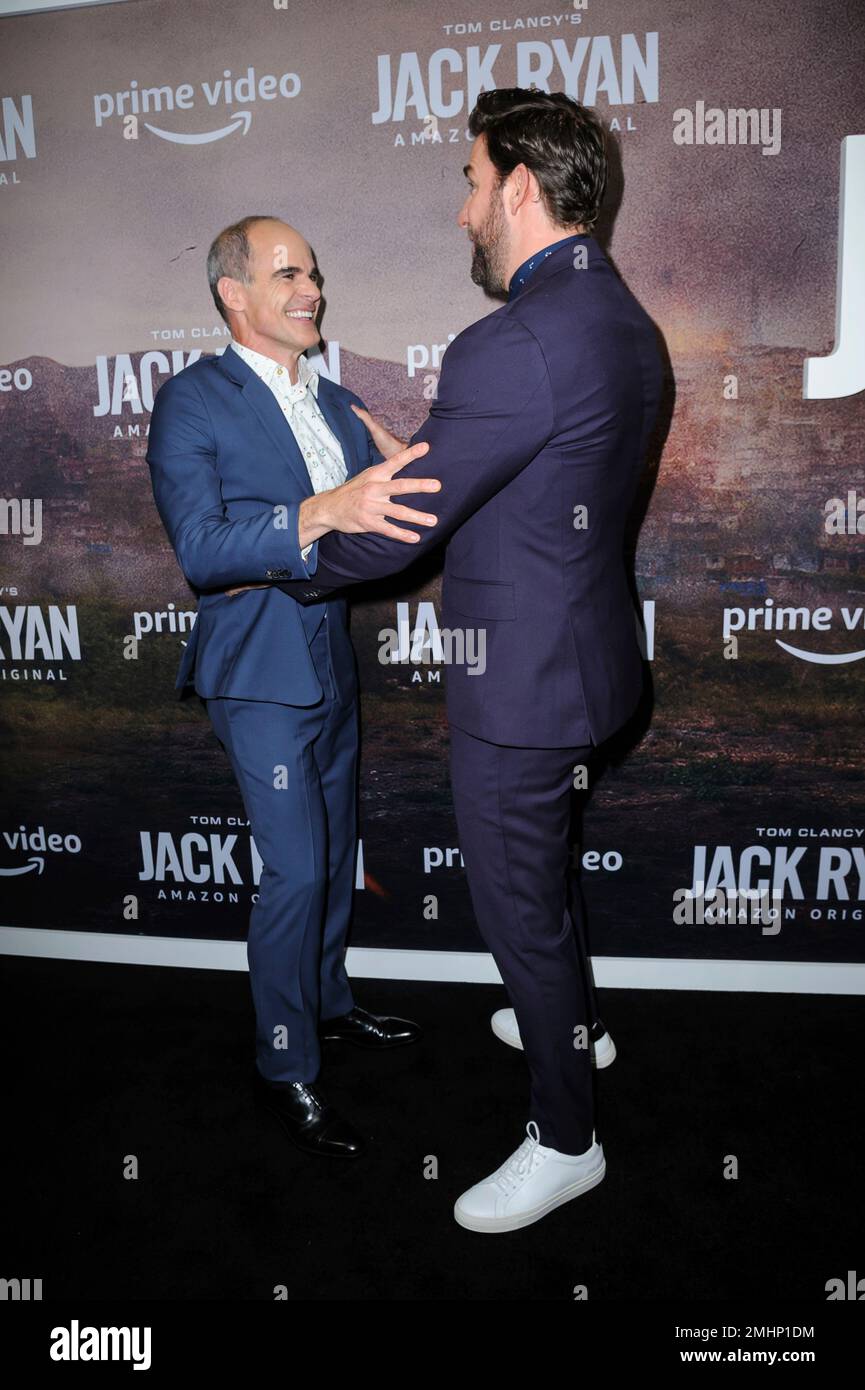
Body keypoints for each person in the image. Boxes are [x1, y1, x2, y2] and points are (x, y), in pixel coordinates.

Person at [272, 89, 664, 1230]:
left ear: (522, 189)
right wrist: (441, 453)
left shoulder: (516, 339)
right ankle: (577, 1023)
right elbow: (538, 468)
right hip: (595, 666)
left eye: (470, 181)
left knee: (519, 910)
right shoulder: (620, 318)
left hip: (526, 692)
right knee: (547, 890)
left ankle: (567, 1136)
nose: (462, 212)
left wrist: (282, 545)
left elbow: (398, 532)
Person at [146, 215, 443, 1159]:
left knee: (336, 849)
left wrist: (411, 476)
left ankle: (326, 1005)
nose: (310, 288)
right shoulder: (193, 402)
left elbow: (385, 504)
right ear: (233, 293)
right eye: (286, 274)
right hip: (257, 673)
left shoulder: (334, 400)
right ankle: (287, 1065)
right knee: (298, 871)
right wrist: (325, 508)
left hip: (329, 662)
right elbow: (201, 552)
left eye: (313, 272)